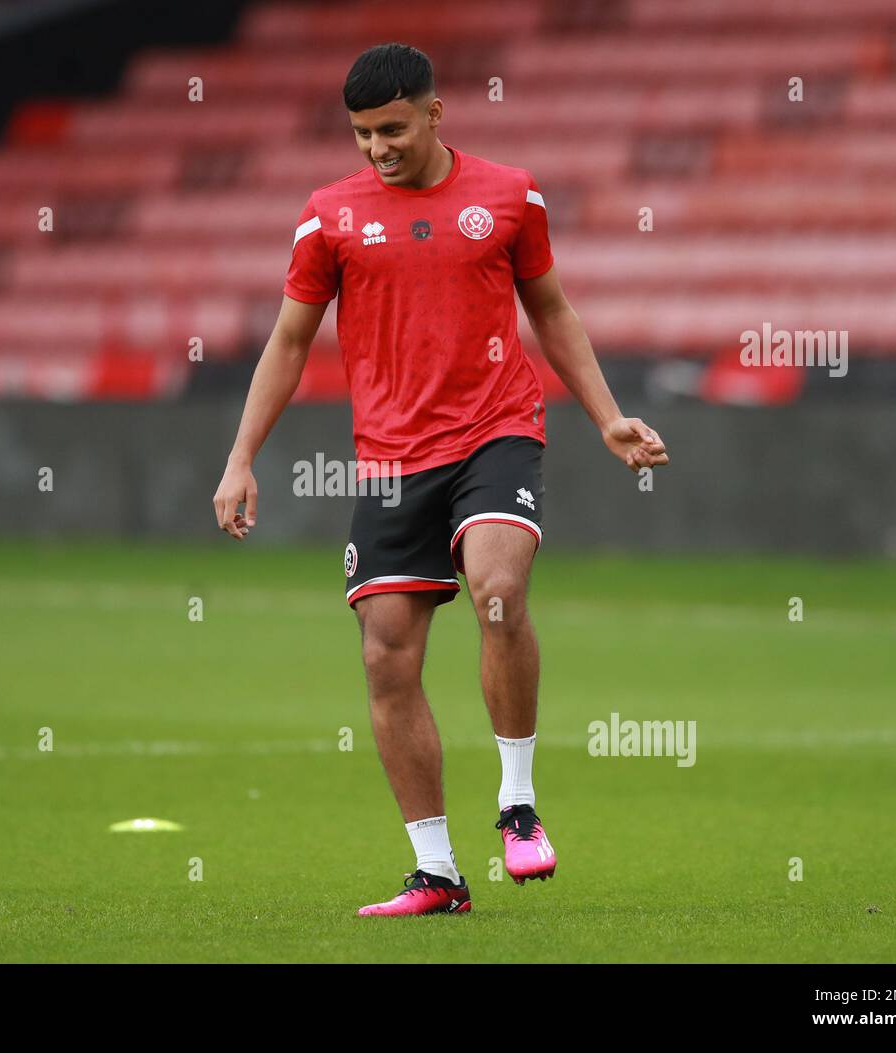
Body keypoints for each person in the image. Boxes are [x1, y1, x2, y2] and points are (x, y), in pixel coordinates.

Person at [212, 43, 668, 916]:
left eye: (392, 128)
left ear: (434, 113)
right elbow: (290, 342)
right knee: (387, 655)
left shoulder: (509, 196)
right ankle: (437, 873)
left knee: (498, 587)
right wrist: (241, 458)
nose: (378, 147)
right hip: (390, 456)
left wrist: (606, 413)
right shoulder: (328, 218)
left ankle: (518, 801)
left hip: (496, 429)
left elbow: (553, 309)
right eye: (361, 134)